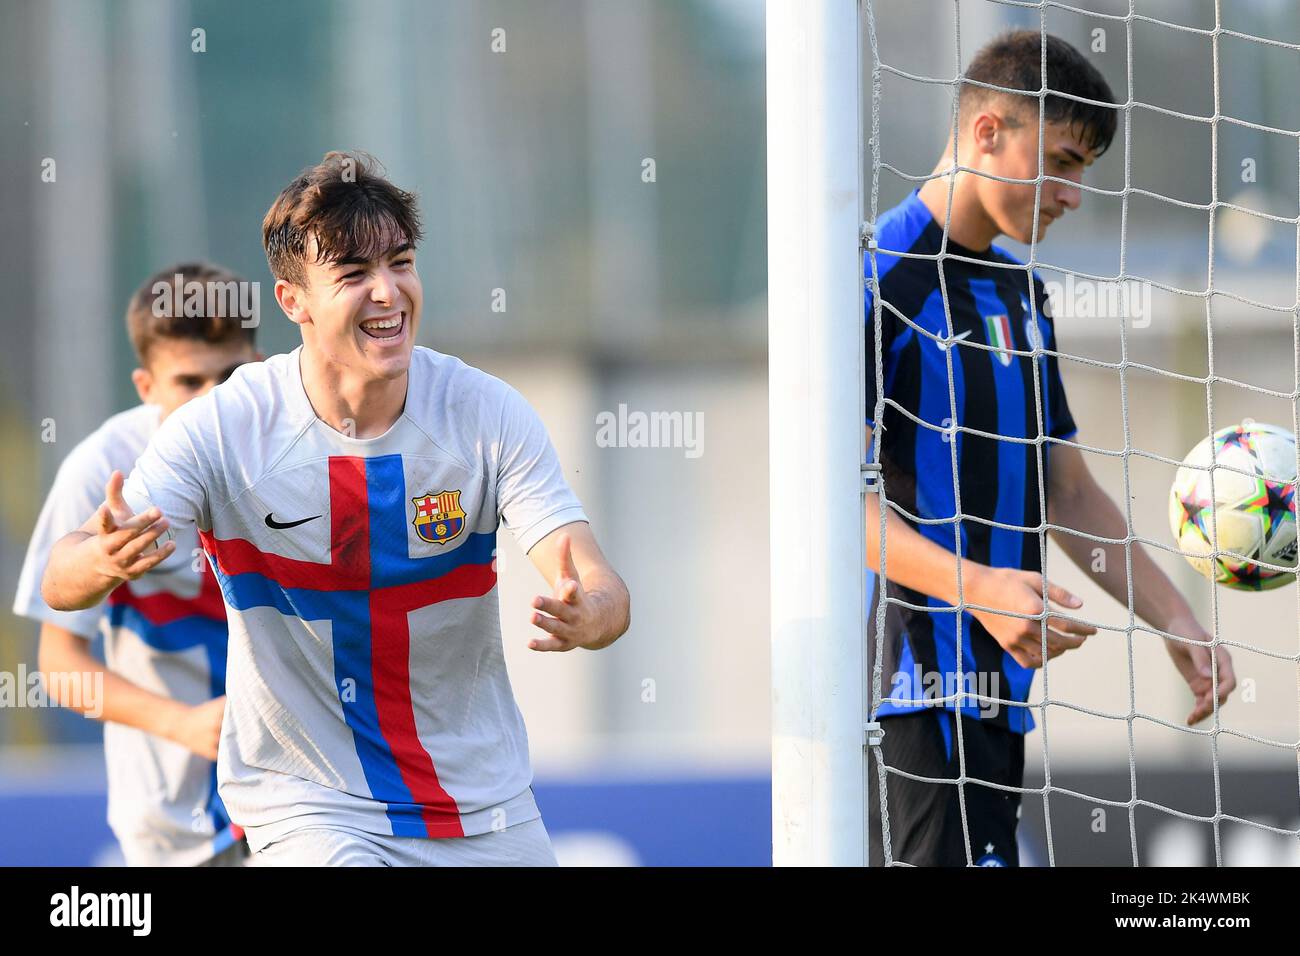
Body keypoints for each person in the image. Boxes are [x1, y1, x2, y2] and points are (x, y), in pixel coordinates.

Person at [42, 151, 632, 867]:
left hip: (483, 804)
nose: (388, 293)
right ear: (294, 302)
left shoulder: (486, 413)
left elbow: (599, 586)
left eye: (402, 263)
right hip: (309, 805)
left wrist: (589, 612)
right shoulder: (223, 427)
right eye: (354, 275)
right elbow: (60, 581)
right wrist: (98, 557)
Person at [863, 31, 1235, 867]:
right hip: (903, 689)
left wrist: (1177, 616)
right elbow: (825, 506)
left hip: (998, 692)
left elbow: (1065, 490)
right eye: (1063, 162)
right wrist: (979, 588)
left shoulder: (1021, 294)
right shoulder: (877, 277)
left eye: (1085, 173)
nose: (1073, 194)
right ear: (988, 130)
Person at [14, 261, 259, 865]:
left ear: (259, 366)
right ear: (146, 387)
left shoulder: (302, 451)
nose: (213, 402)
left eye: (230, 376)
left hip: (305, 803)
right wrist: (180, 723)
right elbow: (57, 664)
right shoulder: (102, 472)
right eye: (188, 383)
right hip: (172, 828)